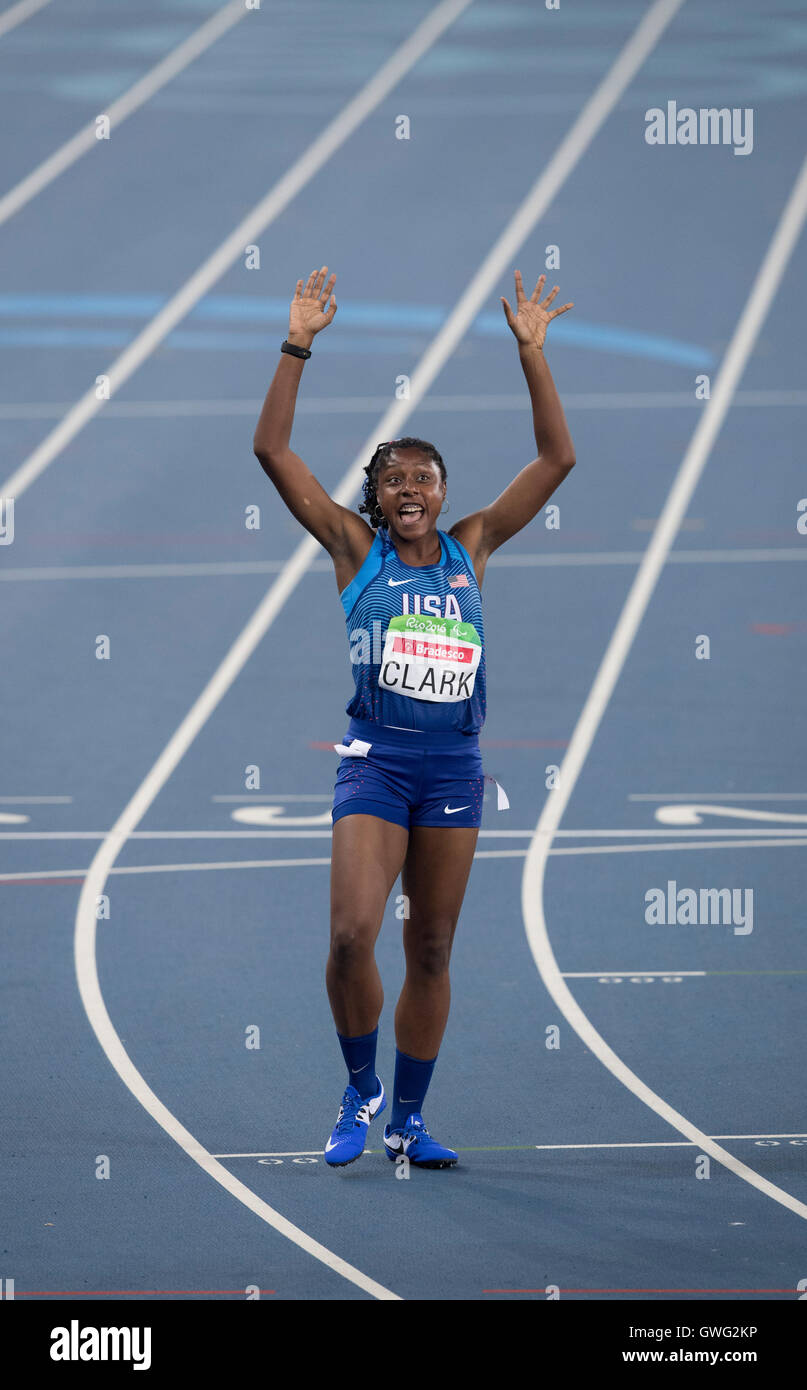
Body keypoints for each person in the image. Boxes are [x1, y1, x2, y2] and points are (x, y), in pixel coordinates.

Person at [253, 265, 575, 1169]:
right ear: (376, 495)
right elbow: (273, 454)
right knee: (354, 936)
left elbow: (556, 462)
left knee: (429, 947)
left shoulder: (474, 545)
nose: (409, 490)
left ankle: (409, 1121)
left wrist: (531, 355)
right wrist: (297, 344)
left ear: (441, 492)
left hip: (455, 769)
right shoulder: (352, 549)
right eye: (393, 478)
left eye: (424, 478)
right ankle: (360, 1092)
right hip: (376, 762)